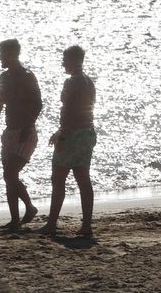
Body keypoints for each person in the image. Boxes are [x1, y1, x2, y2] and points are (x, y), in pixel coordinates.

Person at [0, 38, 43, 230]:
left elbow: (38, 103)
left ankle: (30, 207)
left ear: (11, 54)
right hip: (10, 131)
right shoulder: (4, 77)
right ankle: (15, 219)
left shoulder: (27, 76)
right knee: (8, 176)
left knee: (10, 173)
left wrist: (27, 126)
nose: (0, 57)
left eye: (2, 54)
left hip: (26, 131)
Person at [39, 45, 97, 238]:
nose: (63, 63)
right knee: (83, 180)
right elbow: (85, 110)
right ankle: (86, 224)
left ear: (73, 61)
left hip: (73, 134)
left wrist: (61, 135)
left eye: (65, 60)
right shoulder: (88, 81)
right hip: (87, 133)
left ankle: (52, 223)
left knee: (58, 179)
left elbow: (68, 112)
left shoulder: (71, 82)